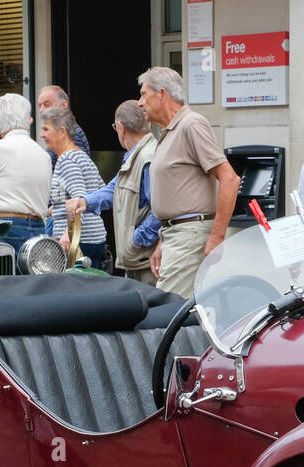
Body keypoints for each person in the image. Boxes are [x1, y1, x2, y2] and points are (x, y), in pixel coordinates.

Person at [136, 66, 239, 297]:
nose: (140, 102)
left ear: (162, 94)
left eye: (144, 94)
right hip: (177, 236)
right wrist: (163, 240)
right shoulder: (170, 131)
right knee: (187, 314)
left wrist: (216, 237)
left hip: (189, 238)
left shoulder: (191, 124)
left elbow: (230, 179)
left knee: (168, 313)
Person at [65, 100, 160, 282]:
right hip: (139, 261)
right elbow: (113, 190)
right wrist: (84, 201)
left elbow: (161, 210)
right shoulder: (136, 156)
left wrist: (136, 238)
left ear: (120, 127)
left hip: (147, 262)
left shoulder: (147, 158)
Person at [0, 93, 52, 253]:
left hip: (3, 228)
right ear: (29, 122)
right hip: (39, 229)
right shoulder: (44, 155)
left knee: (0, 277)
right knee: (34, 278)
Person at [41, 107, 108, 269]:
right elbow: (100, 189)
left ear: (62, 132)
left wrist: (68, 235)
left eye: (46, 129)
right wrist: (56, 208)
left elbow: (79, 200)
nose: (42, 134)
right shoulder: (82, 156)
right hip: (94, 238)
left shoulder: (67, 161)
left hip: (79, 242)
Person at [36, 85, 90, 163]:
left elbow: (73, 167)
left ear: (64, 105)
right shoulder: (59, 131)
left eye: (47, 104)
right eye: (40, 106)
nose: (41, 110)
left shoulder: (73, 133)